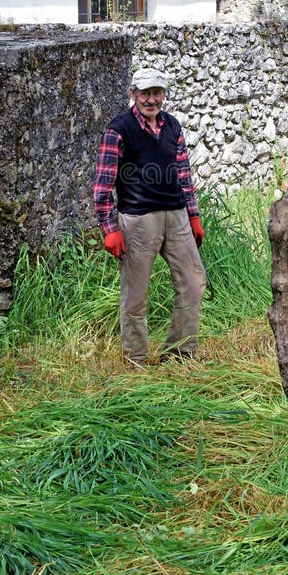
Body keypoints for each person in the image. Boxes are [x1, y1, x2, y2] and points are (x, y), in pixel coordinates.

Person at [93, 66, 206, 366]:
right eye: (145, 93)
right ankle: (137, 360)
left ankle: (180, 354)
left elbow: (183, 173)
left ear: (164, 95)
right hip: (138, 220)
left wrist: (193, 216)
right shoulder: (118, 130)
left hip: (177, 215)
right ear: (133, 94)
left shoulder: (173, 126)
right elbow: (102, 184)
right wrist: (110, 228)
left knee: (193, 283)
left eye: (157, 93)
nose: (151, 100)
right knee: (136, 296)